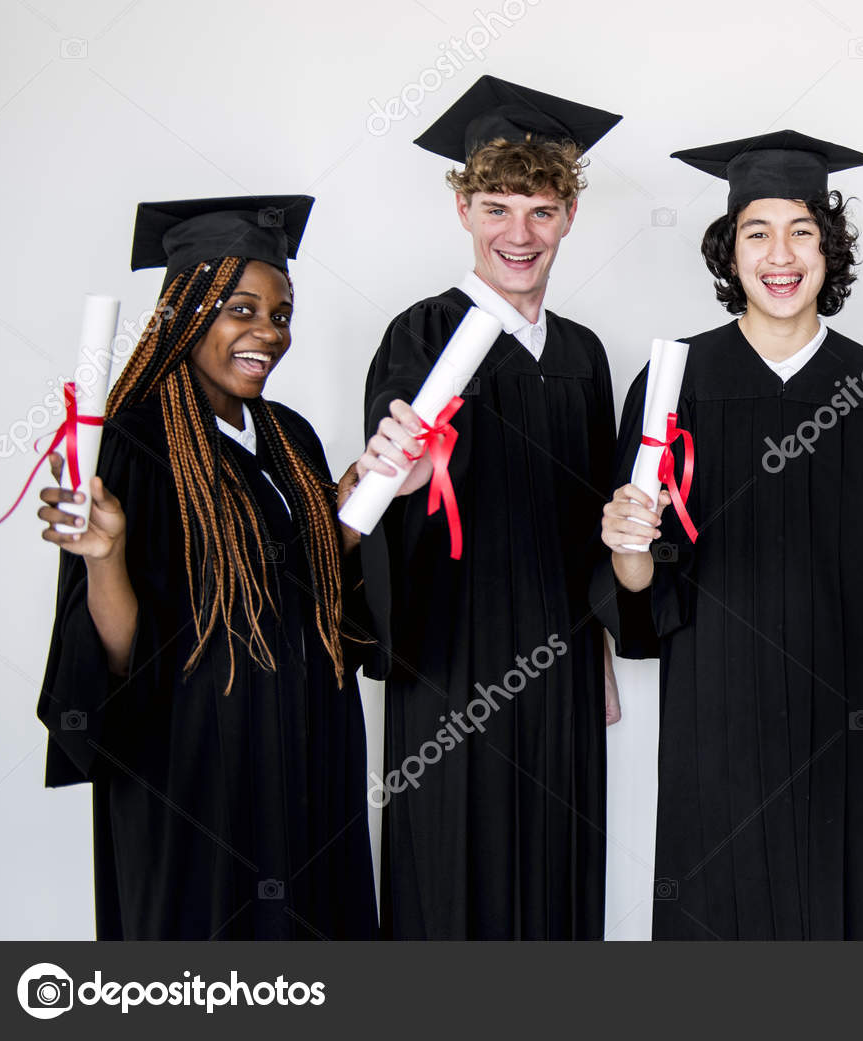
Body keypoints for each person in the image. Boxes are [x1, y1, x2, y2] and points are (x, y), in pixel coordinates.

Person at [594, 130, 863, 939]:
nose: (779, 255)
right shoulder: (672, 383)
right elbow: (639, 599)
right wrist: (626, 548)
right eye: (757, 233)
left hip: (842, 714)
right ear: (729, 251)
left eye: (801, 232)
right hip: (711, 712)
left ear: (829, 248)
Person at [36, 195, 378, 939]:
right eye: (241, 309)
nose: (267, 332)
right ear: (185, 313)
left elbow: (304, 589)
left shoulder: (290, 437)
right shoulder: (134, 442)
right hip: (193, 767)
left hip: (307, 748)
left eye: (281, 313)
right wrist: (105, 557)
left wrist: (345, 511)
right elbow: (125, 656)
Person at [355, 76, 622, 939]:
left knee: (558, 864)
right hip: (451, 651)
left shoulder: (582, 354)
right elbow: (382, 499)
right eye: (497, 207)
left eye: (541, 211)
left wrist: (604, 657)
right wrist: (398, 476)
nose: (519, 233)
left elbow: (597, 518)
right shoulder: (422, 334)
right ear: (463, 209)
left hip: (563, 653)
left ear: (570, 217)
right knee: (452, 864)